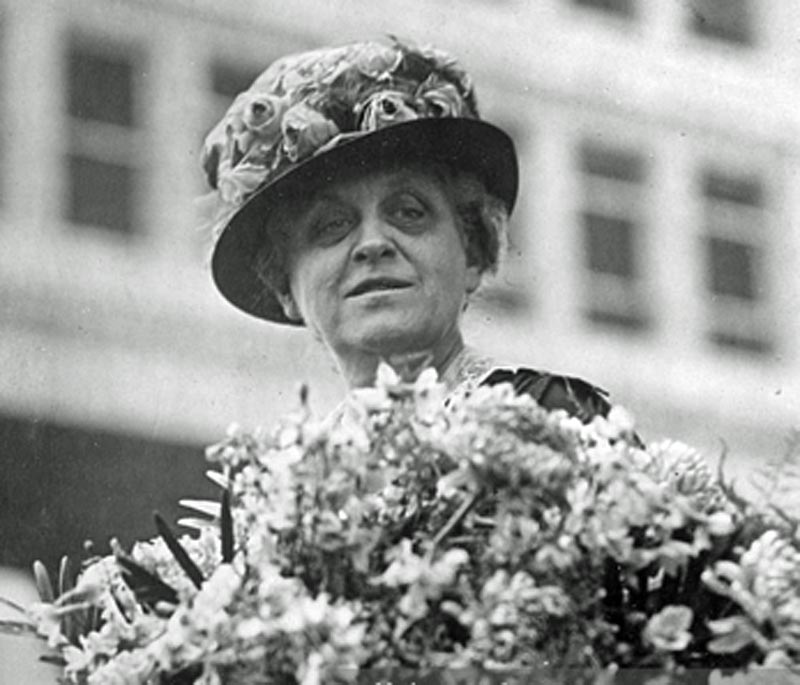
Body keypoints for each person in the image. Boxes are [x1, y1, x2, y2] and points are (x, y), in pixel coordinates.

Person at [201, 38, 610, 422]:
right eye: (332, 226)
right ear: (284, 288)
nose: (373, 244)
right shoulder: (271, 487)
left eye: (408, 212)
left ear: (472, 252)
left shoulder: (551, 417)